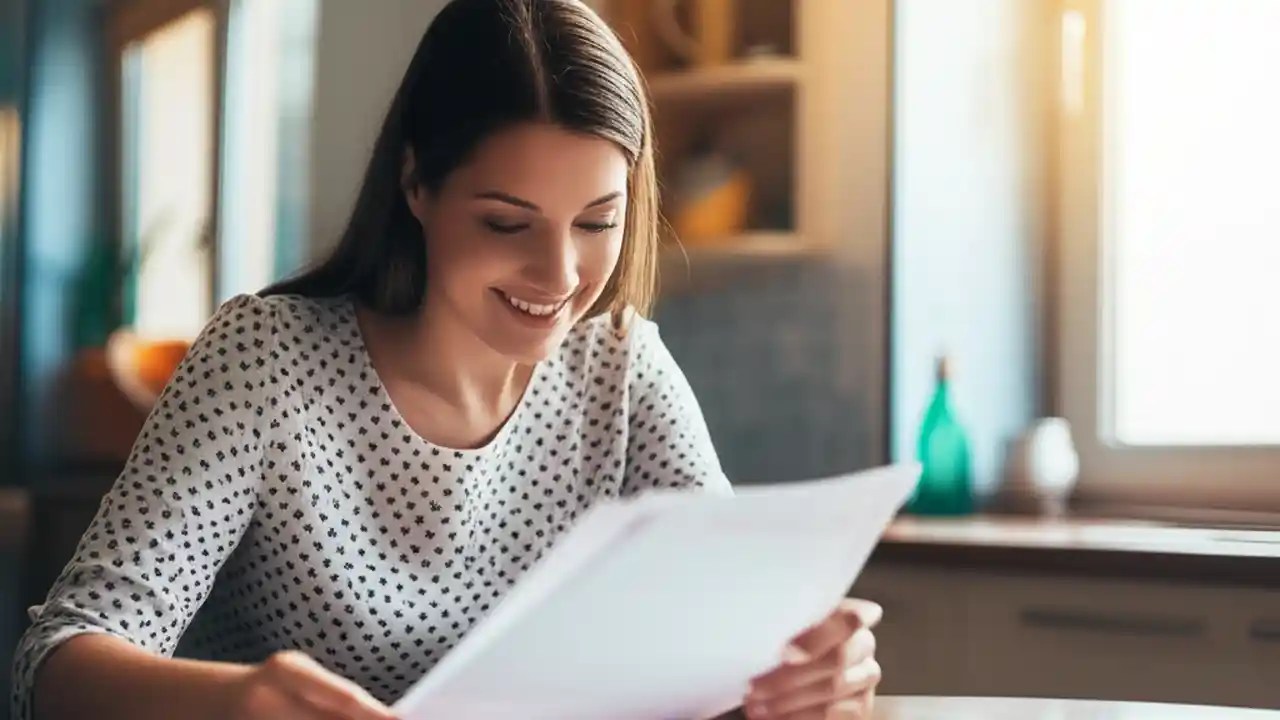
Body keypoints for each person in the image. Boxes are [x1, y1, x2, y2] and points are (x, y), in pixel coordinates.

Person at [11, 1, 882, 718]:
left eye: (597, 222)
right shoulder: (267, 361)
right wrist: (236, 702)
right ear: (417, 185)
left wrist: (801, 679)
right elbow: (55, 664)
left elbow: (725, 650)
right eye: (507, 223)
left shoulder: (621, 368)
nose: (560, 275)